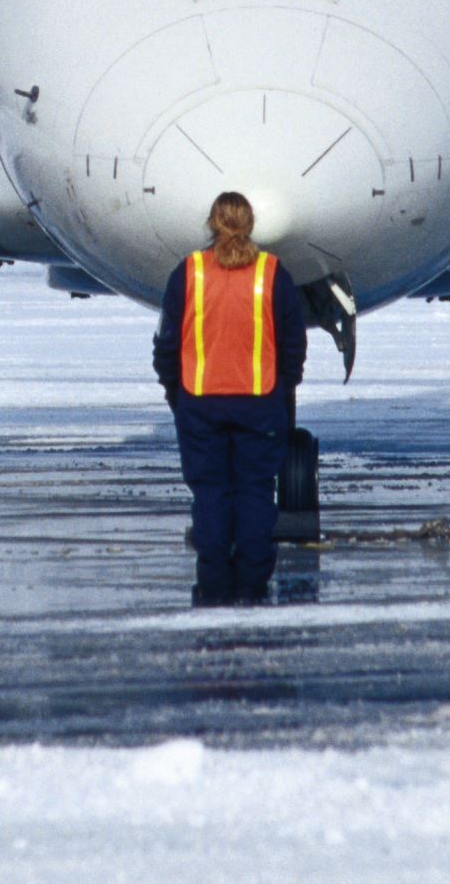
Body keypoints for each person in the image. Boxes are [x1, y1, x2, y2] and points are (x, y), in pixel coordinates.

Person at [153, 191, 308, 604]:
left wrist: (176, 391)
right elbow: (293, 344)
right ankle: (252, 584)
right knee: (256, 493)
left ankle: (215, 584)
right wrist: (283, 389)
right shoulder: (273, 274)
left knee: (211, 494)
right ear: (250, 224)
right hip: (258, 401)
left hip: (201, 402)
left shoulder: (188, 273)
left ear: (212, 223)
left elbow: (166, 343)